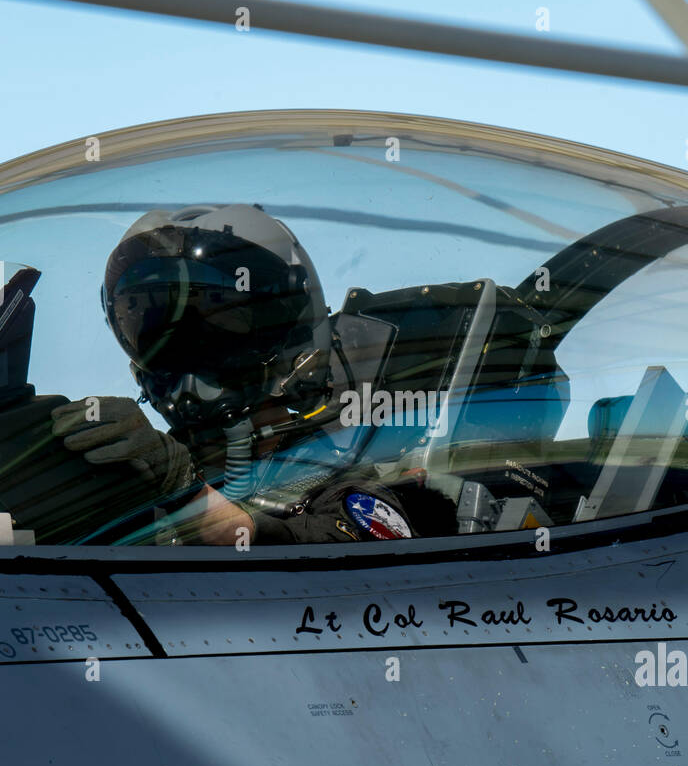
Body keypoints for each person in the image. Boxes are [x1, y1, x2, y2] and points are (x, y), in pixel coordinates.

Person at [50, 204, 446, 545]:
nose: (188, 364)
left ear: (289, 336)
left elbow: (324, 570)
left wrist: (182, 491)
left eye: (216, 330)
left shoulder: (346, 474)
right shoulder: (138, 477)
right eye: (158, 335)